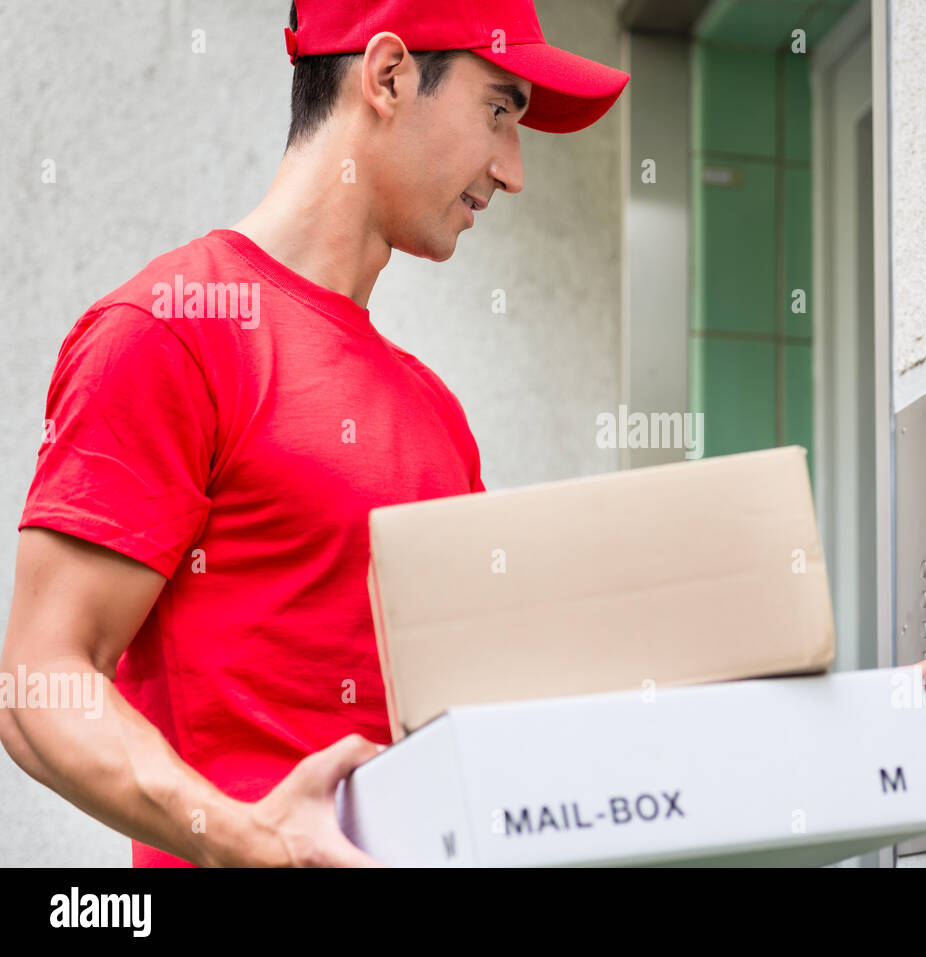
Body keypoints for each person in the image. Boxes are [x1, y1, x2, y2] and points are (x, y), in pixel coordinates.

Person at [0, 0, 629, 868]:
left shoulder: (436, 412)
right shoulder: (174, 329)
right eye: (499, 109)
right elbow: (39, 685)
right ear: (388, 75)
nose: (512, 170)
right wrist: (249, 839)